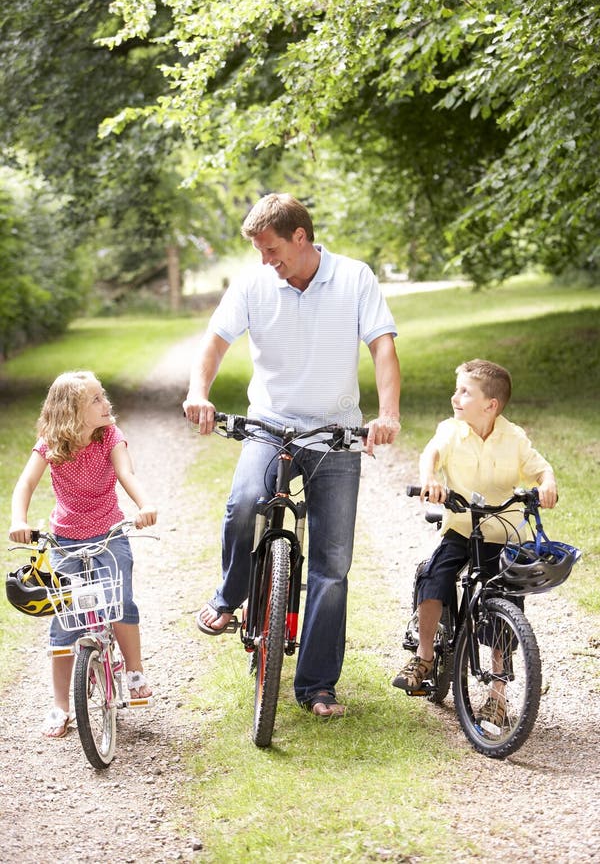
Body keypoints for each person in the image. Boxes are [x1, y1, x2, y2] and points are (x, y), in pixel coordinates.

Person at [184, 192, 401, 717]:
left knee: (333, 562)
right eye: (259, 251)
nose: (265, 260)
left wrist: (388, 414)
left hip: (335, 433)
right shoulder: (255, 285)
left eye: (272, 249)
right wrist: (198, 391)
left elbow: (383, 347)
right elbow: (214, 344)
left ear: (300, 237)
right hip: (270, 425)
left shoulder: (354, 278)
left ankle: (317, 685)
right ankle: (229, 597)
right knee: (242, 504)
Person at [392, 358, 557, 726]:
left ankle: (498, 695)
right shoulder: (452, 431)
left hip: (503, 534)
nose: (455, 397)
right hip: (462, 529)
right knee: (435, 577)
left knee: (505, 602)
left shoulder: (514, 438)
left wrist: (547, 484)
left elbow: (541, 468)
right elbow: (430, 454)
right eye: (457, 389)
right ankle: (424, 657)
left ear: (490, 405)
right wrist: (430, 479)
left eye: (465, 391)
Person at [9, 370, 157, 738]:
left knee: (120, 600)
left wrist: (144, 504)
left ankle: (134, 672)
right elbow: (25, 483)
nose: (106, 404)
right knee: (63, 620)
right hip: (64, 541)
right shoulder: (50, 442)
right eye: (96, 400)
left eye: (103, 396)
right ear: (71, 410)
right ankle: (60, 705)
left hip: (109, 534)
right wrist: (18, 519)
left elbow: (127, 474)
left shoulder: (110, 436)